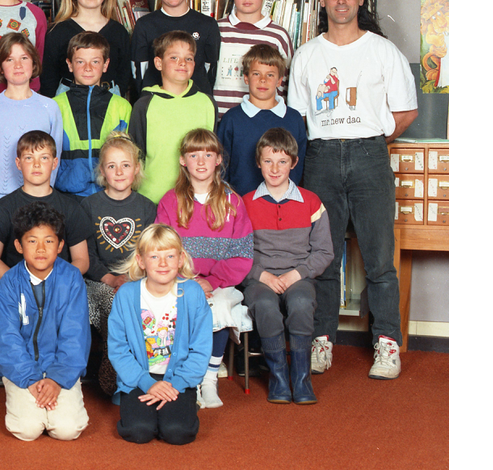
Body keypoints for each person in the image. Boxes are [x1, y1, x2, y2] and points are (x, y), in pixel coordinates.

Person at [287, 0, 418, 380]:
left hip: (369, 156)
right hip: (321, 157)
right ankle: (321, 340)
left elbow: (406, 110)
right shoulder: (307, 55)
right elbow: (297, 117)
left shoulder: (383, 51)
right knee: (323, 258)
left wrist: (370, 143)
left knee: (379, 259)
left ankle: (386, 344)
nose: (341, 0)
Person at [155, 129, 253, 409]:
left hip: (221, 284)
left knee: (218, 306)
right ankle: (190, 379)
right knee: (181, 305)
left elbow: (242, 253)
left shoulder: (233, 202)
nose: (201, 161)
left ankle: (209, 379)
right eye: (194, 154)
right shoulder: (170, 201)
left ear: (218, 160)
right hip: (180, 282)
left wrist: (213, 281)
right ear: (183, 160)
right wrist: (187, 279)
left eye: (208, 154)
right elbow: (162, 250)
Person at [241, 128, 334, 404]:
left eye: (282, 161)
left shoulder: (311, 201)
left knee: (303, 303)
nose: (275, 168)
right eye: (268, 161)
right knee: (267, 307)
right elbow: (237, 253)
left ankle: (301, 380)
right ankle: (279, 379)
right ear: (258, 162)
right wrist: (262, 275)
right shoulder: (245, 204)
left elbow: (324, 251)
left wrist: (297, 274)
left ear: (294, 162)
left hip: (298, 276)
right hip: (260, 278)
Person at [0, 202, 91, 441]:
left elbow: (75, 335)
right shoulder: (8, 282)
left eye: (48, 241)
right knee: (28, 430)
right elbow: (7, 338)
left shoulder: (72, 278)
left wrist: (57, 380)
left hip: (62, 368)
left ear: (60, 246)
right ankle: (31, 398)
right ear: (18, 245)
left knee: (67, 430)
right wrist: (31, 379)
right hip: (22, 369)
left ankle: (56, 395)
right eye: (31, 240)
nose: (40, 248)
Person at [109, 224, 210, 445]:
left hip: (178, 378)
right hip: (138, 378)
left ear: (181, 259)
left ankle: (187, 402)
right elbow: (118, 349)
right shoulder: (126, 295)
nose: (163, 264)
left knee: (177, 433)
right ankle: (143, 407)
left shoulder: (193, 293)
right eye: (154, 257)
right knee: (138, 431)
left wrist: (176, 384)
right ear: (141, 261)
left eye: (170, 256)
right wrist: (147, 383)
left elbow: (201, 349)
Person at [79, 132, 157, 395]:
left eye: (125, 165)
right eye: (112, 166)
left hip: (137, 280)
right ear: (102, 171)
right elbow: (86, 253)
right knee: (115, 304)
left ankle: (143, 375)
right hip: (97, 281)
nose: (119, 171)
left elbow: (149, 251)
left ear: (136, 169)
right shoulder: (89, 206)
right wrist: (110, 279)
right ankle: (114, 380)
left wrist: (133, 279)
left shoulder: (147, 208)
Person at [0, 130, 93, 278]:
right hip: (17, 287)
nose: (37, 164)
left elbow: (82, 260)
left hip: (60, 286)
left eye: (44, 158)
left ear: (54, 163)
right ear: (18, 163)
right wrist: (19, 282)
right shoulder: (4, 207)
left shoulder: (70, 207)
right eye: (29, 158)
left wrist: (59, 282)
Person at [0, 33, 62, 210]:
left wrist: (45, 189)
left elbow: (56, 154)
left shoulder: (50, 107)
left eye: (24, 58)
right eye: (9, 59)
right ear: (0, 67)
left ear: (34, 63)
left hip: (39, 195)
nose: (18, 65)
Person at [128, 30, 217, 203]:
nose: (182, 63)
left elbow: (213, 156)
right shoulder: (144, 105)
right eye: (174, 57)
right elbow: (135, 156)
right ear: (158, 63)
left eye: (189, 58)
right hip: (151, 198)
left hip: (197, 199)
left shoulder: (207, 103)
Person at [216, 44, 307, 197]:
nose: (263, 80)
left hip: (283, 206)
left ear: (279, 80)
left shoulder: (293, 119)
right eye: (256, 74)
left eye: (270, 75)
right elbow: (221, 168)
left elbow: (299, 167)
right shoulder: (231, 119)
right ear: (245, 77)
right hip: (240, 205)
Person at [52, 31, 133, 197]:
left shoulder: (122, 107)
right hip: (67, 194)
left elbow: (130, 155)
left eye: (95, 62)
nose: (88, 68)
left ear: (105, 64)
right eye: (80, 61)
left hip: (109, 193)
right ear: (69, 64)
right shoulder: (55, 106)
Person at [40, 0, 132, 99]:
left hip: (109, 101)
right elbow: (48, 80)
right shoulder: (57, 32)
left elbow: (124, 75)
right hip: (68, 103)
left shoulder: (119, 32)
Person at [214, 0, 294, 118]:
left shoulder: (278, 36)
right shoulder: (216, 30)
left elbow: (284, 86)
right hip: (219, 120)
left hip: (263, 121)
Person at [131, 0, 220, 97]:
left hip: (195, 101)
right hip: (157, 103)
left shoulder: (207, 25)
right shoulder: (144, 25)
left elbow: (211, 71)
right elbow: (139, 72)